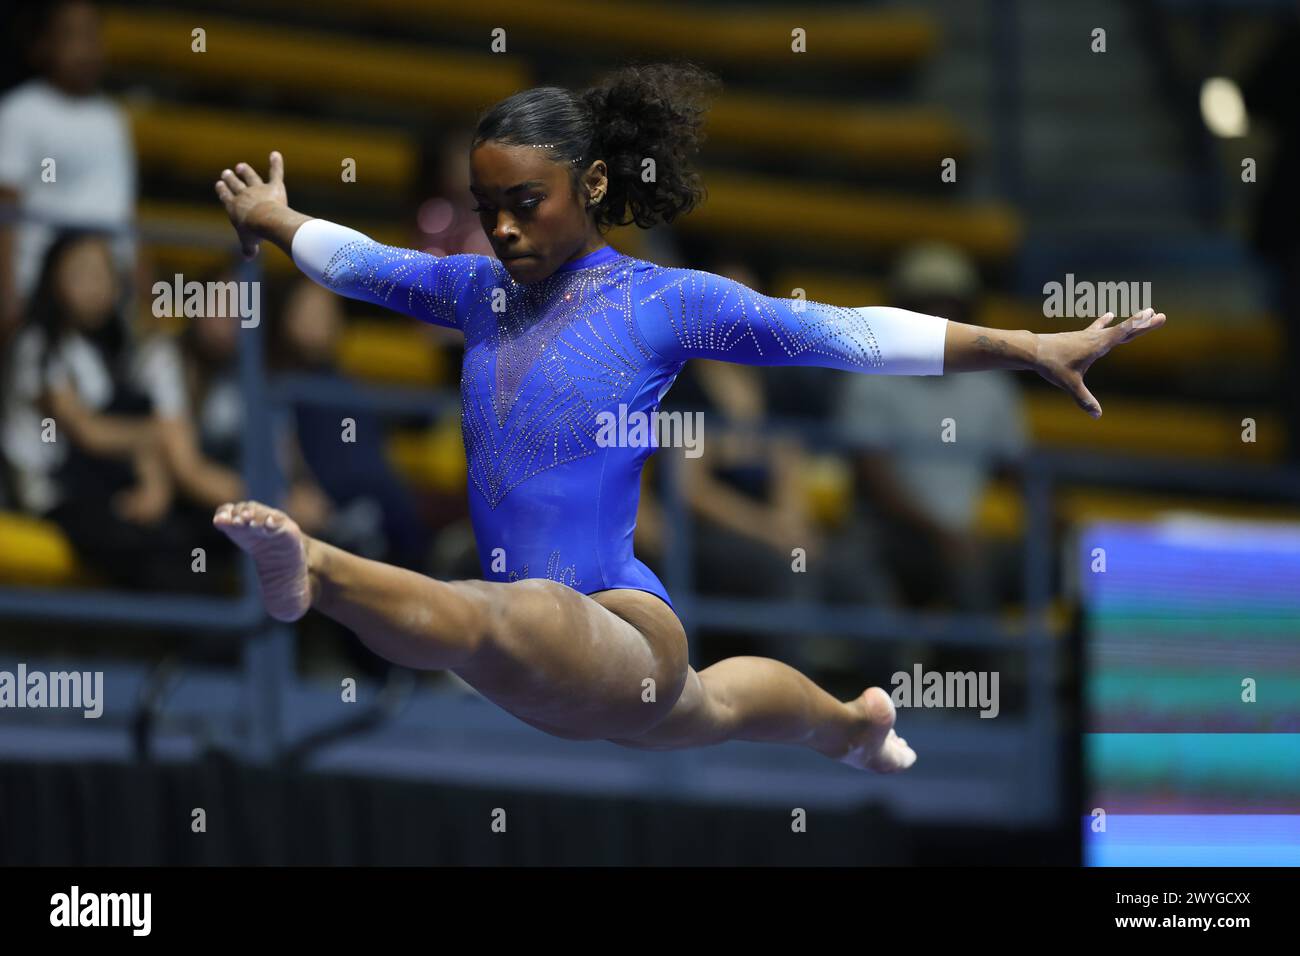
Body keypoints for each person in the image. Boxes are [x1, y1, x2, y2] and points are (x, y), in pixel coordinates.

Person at [210, 64, 1164, 772]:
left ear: (589, 187)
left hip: (617, 625)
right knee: (706, 707)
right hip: (547, 672)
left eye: (525, 205)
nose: (500, 230)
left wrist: (1027, 346)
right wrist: (279, 218)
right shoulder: (473, 292)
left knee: (493, 617)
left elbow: (847, 331)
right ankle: (850, 725)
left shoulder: (658, 302)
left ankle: (317, 569)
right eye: (486, 207)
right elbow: (359, 262)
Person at [829, 243, 1028, 613]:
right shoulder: (872, 378)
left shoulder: (992, 387)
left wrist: (1062, 525)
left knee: (1060, 562)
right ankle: (952, 665)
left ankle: (985, 665)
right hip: (888, 535)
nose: (939, 319)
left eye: (949, 308)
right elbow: (874, 478)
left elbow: (1018, 471)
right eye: (927, 308)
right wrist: (940, 533)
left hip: (962, 538)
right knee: (958, 568)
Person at [0, 0, 135, 337]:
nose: (85, 48)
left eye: (92, 36)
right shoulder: (21, 111)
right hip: (40, 294)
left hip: (108, 291)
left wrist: (140, 290)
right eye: (72, 36)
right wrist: (6, 292)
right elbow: (6, 210)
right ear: (41, 46)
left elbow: (124, 213)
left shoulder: (112, 119)